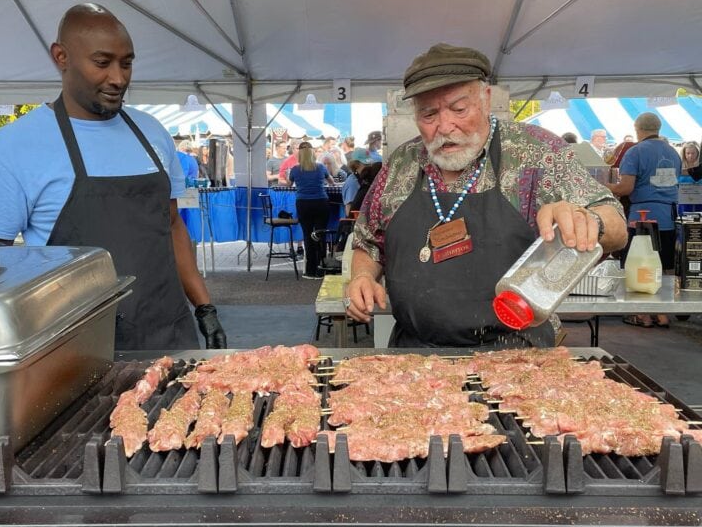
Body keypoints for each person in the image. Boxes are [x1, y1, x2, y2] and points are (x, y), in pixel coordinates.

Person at [0, 3, 226, 351]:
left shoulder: (152, 133)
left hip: (167, 334)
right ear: (61, 57)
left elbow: (173, 225)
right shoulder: (15, 146)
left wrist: (204, 307)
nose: (118, 78)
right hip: (73, 346)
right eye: (102, 63)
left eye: (127, 63)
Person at [346, 42, 627, 349]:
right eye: (429, 114)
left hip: (518, 352)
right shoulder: (402, 163)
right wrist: (362, 277)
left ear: (486, 99)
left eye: (458, 109)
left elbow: (616, 226)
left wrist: (588, 221)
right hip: (414, 354)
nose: (445, 126)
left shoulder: (537, 154)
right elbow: (368, 241)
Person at [606, 111, 681, 328]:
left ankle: (641, 314)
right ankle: (663, 313)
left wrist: (605, 187)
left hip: (641, 216)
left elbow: (626, 188)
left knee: (636, 263)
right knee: (663, 264)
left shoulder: (636, 151)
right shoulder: (673, 153)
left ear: (638, 129)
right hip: (667, 215)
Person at [289, 141, 334, 280]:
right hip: (321, 202)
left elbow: (289, 184)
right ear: (313, 153)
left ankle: (310, 271)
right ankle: (322, 268)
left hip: (303, 203)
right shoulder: (320, 167)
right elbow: (331, 182)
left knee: (307, 236)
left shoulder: (295, 169)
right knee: (320, 235)